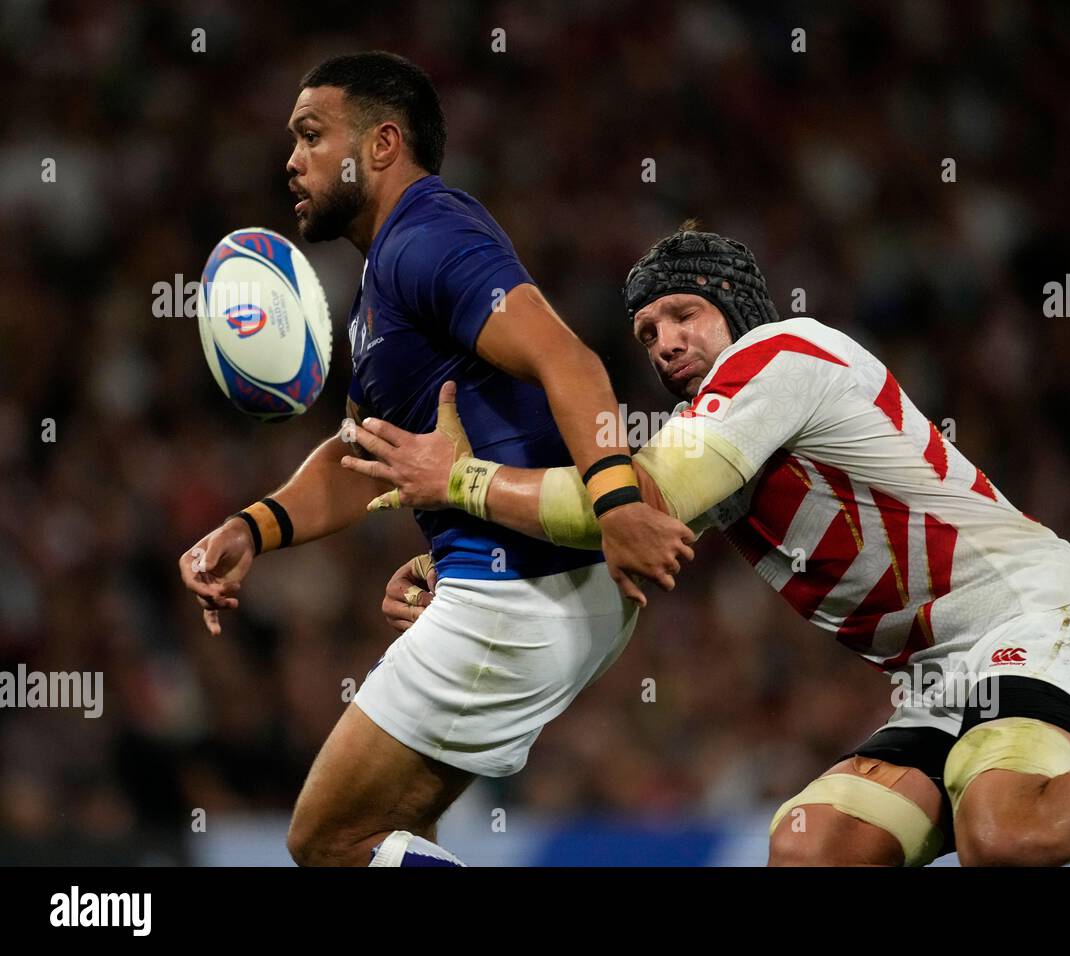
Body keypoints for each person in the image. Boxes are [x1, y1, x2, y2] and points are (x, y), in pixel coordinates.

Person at [347, 222, 1070, 866]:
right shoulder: (718, 441)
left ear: (736, 308)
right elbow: (609, 545)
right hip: (946, 684)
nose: (664, 342)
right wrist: (466, 574)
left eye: (683, 313)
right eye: (646, 330)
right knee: (810, 847)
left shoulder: (785, 355)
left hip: (1046, 621)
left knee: (1002, 831)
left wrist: (460, 482)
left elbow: (631, 496)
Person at [176, 52, 694, 868]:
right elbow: (359, 456)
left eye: (312, 135)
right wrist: (254, 527)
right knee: (399, 842)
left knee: (329, 840)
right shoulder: (378, 288)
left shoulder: (428, 235)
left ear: (382, 144)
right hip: (533, 585)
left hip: (516, 592)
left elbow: (570, 362)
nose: (291, 160)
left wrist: (619, 501)